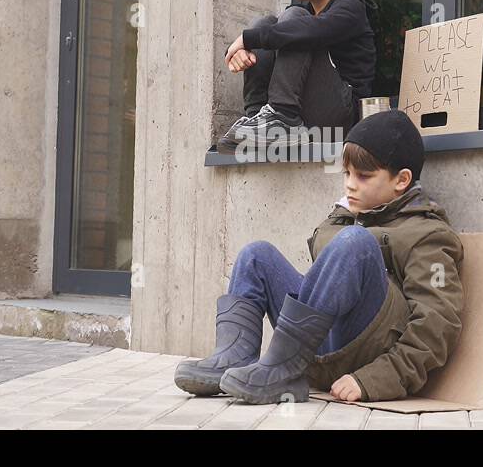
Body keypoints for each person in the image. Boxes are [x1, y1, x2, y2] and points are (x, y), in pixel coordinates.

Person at [175, 110, 465, 404]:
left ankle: (282, 371)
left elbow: (438, 324)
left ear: (401, 180)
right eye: (347, 174)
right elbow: (326, 252)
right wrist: (347, 216)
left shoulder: (428, 235)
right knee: (256, 255)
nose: (350, 184)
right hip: (313, 348)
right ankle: (232, 359)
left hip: (363, 359)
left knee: (356, 242)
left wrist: (374, 379)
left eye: (363, 176)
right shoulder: (350, 216)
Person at [217, 0, 378, 154]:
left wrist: (248, 39)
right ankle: (257, 118)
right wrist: (240, 50)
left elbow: (312, 30)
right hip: (310, 117)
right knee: (267, 24)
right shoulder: (303, 11)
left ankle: (282, 116)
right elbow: (273, 32)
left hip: (341, 119)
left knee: (292, 23)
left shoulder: (351, 7)